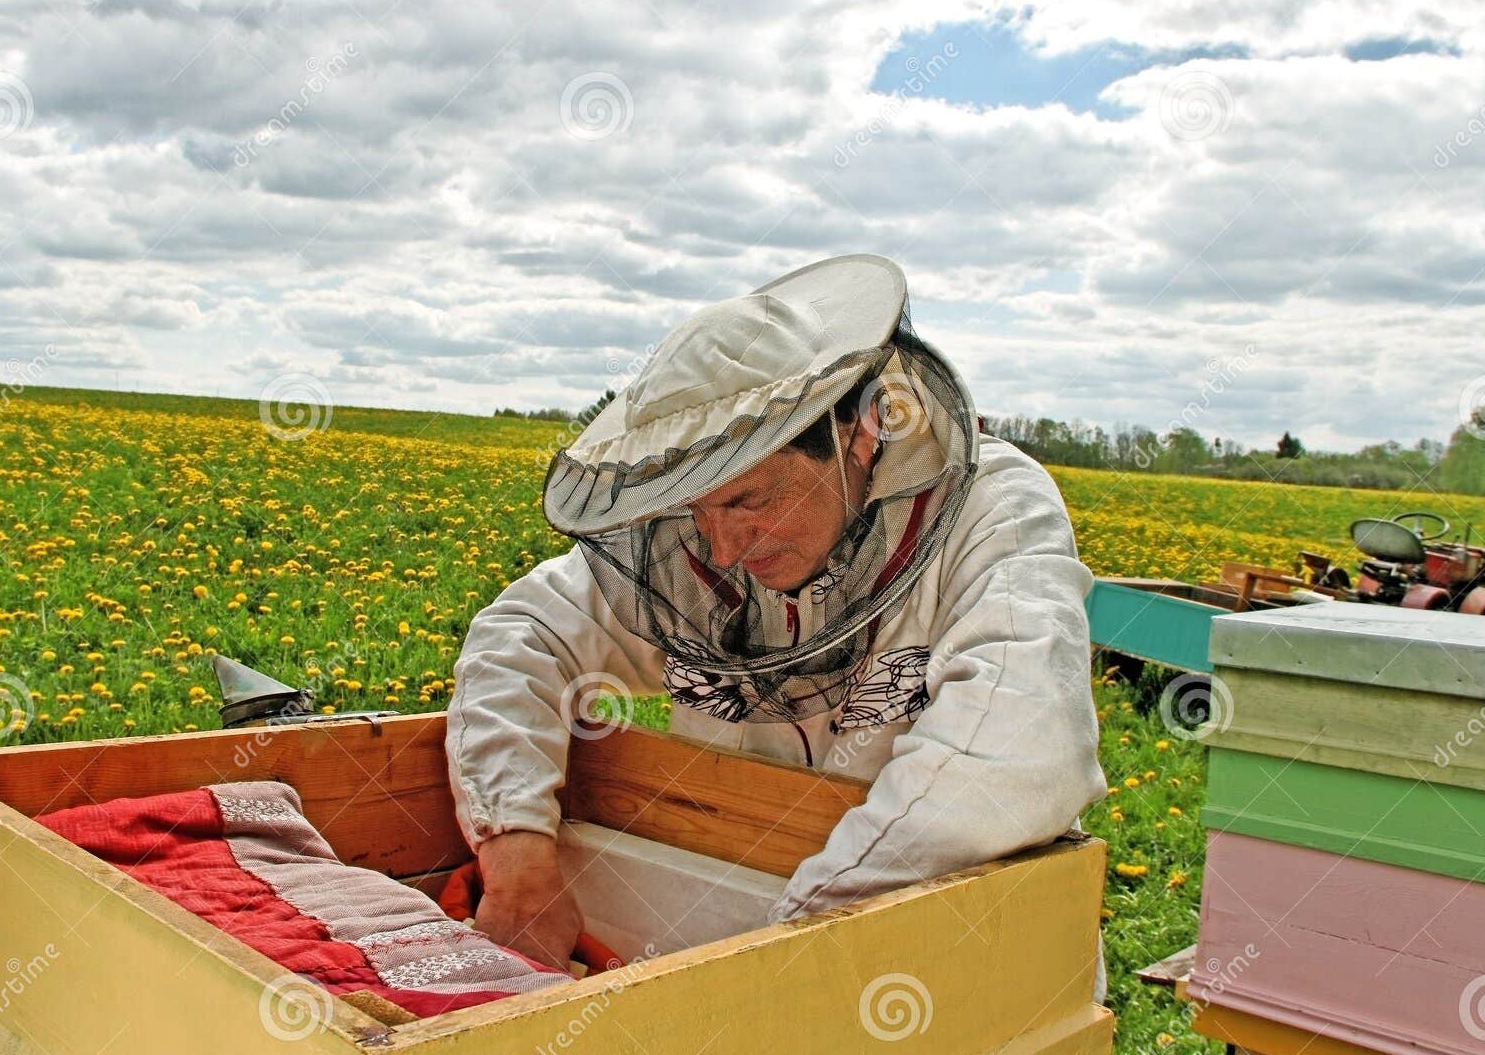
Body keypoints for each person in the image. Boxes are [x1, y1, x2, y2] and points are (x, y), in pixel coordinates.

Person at [445, 254, 1107, 996]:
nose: (722, 548)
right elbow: (520, 639)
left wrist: (768, 952)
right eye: (699, 509)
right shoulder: (688, 546)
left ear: (856, 435)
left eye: (749, 501)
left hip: (959, 982)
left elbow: (1014, 754)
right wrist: (520, 863)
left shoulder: (996, 514)